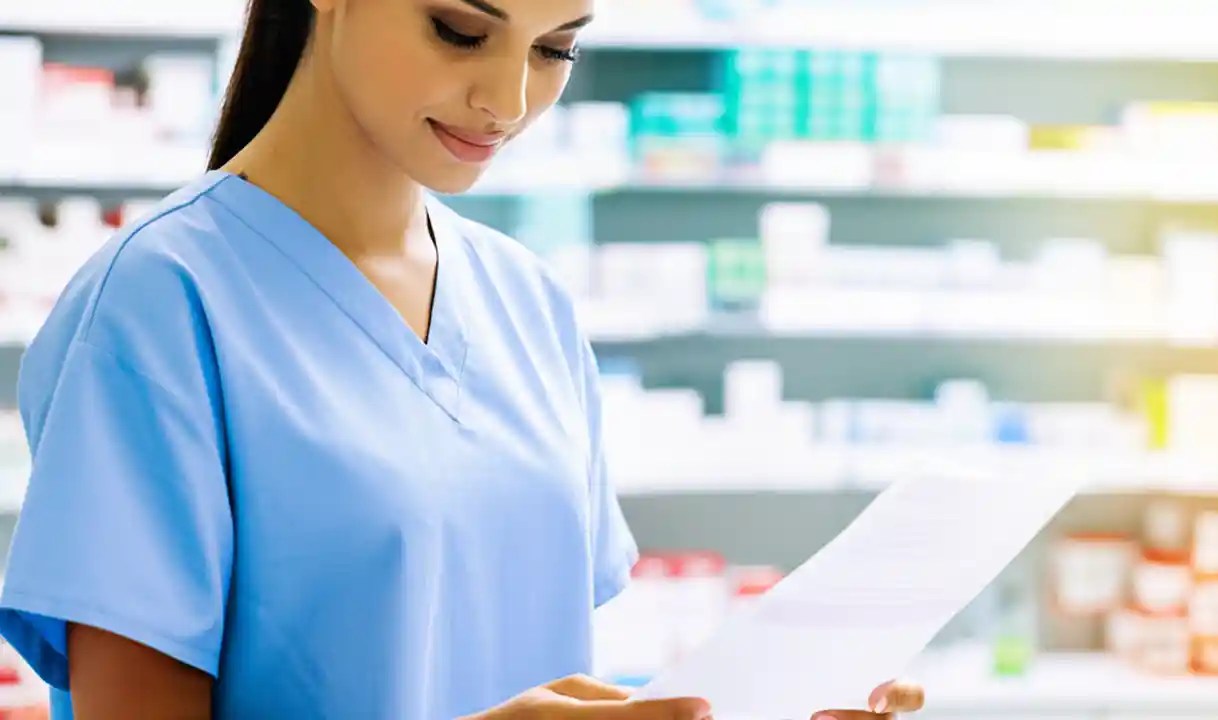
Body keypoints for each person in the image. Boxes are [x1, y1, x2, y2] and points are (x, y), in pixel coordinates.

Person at [0, 0, 927, 718]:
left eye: (554, 48)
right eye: (459, 30)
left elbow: (542, 670)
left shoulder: (530, 303)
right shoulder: (159, 303)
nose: (510, 100)